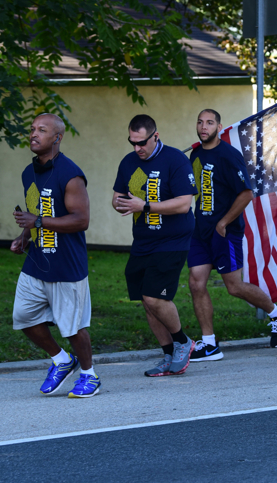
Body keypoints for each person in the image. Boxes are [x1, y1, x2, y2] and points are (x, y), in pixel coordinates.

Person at [187, 109, 277, 361]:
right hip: (200, 230)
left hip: (225, 232)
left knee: (233, 287)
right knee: (195, 283)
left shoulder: (228, 155)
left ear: (219, 127)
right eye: (200, 122)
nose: (204, 127)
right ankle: (209, 343)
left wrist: (224, 222)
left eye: (209, 122)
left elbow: (246, 193)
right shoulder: (196, 153)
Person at [11, 113, 100, 398]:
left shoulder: (70, 175)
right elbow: (39, 213)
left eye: (42, 130)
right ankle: (62, 360)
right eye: (32, 129)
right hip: (37, 261)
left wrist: (35, 222)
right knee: (23, 317)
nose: (33, 134)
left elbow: (81, 220)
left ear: (57, 138)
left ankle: (89, 375)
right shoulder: (29, 172)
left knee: (72, 328)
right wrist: (24, 236)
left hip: (66, 266)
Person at [112, 114, 197, 378]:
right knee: (146, 302)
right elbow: (117, 197)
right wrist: (121, 204)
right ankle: (168, 355)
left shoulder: (175, 160)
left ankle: (183, 341)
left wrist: (145, 205)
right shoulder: (128, 162)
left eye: (141, 142)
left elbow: (184, 203)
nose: (137, 148)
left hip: (173, 240)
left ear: (155, 136)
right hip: (143, 241)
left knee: (154, 296)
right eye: (132, 142)